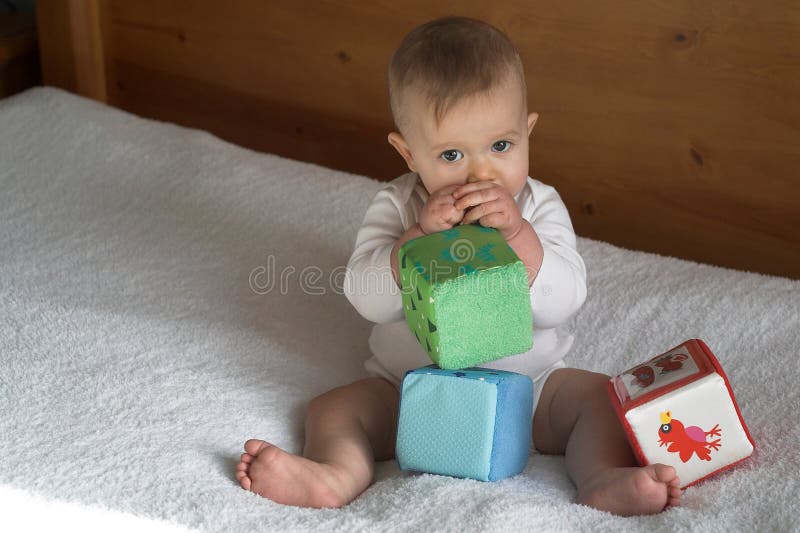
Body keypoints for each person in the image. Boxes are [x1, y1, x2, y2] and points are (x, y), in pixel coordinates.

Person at [236, 16, 682, 516]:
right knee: (332, 410)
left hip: (530, 392)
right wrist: (417, 239)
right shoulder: (398, 207)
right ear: (409, 154)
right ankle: (335, 474)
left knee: (603, 399)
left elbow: (564, 300)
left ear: (528, 132)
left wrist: (518, 237)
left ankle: (601, 478)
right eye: (451, 154)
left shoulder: (537, 207)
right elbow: (367, 300)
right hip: (410, 390)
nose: (482, 173)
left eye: (501, 146)